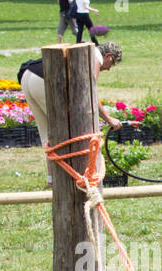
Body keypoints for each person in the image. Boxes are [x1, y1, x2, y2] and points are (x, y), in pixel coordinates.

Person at [19, 42, 123, 181]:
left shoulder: (87, 52)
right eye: (113, 62)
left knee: (48, 133)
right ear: (108, 56)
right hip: (43, 80)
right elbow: (91, 93)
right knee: (67, 132)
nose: (110, 68)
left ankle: (52, 179)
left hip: (28, 76)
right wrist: (109, 119)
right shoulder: (95, 57)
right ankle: (72, 178)